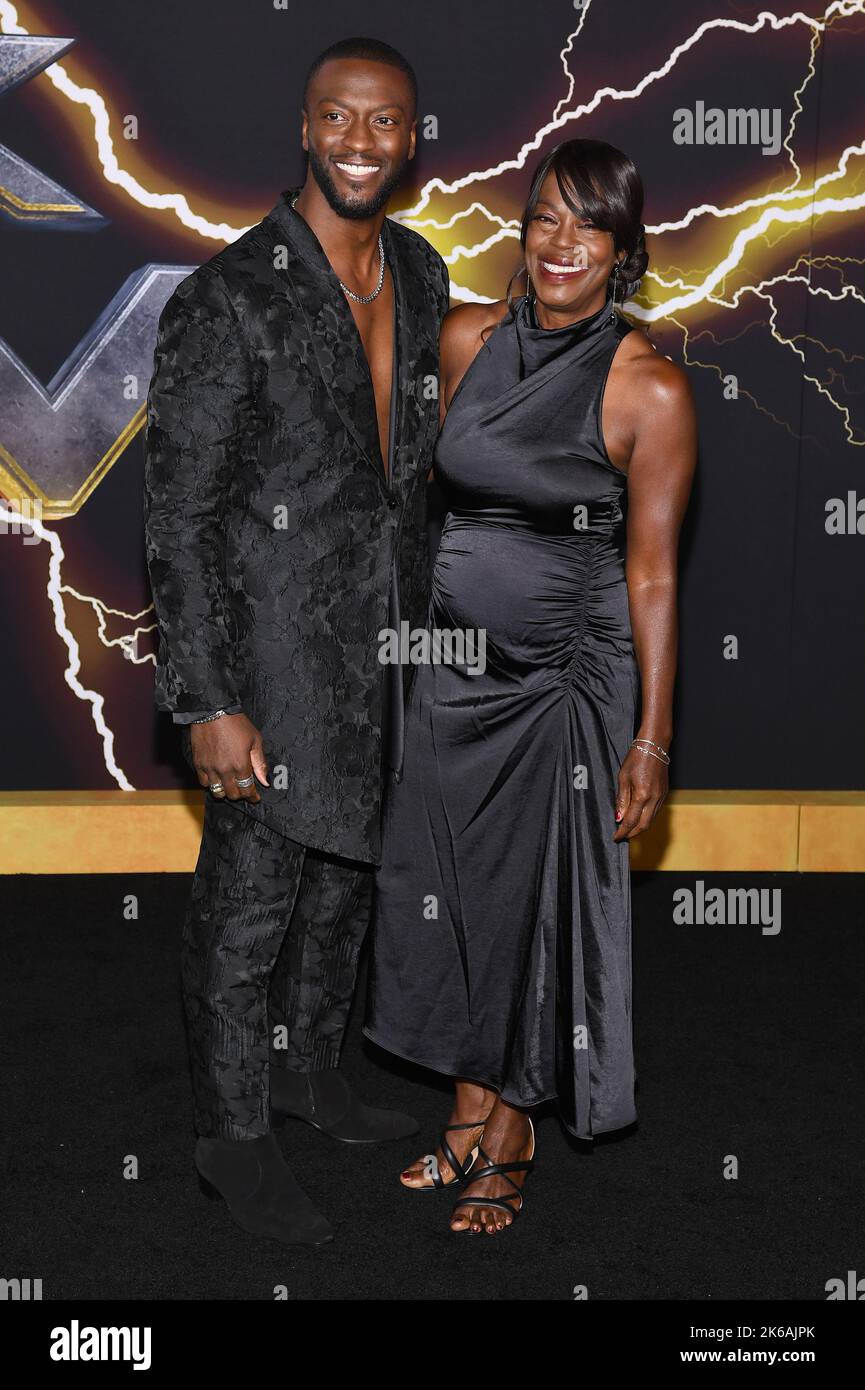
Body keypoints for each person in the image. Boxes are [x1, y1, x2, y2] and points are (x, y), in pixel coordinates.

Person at [143, 36, 449, 1246]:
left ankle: (310, 1072)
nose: (361, 141)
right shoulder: (228, 295)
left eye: (384, 122)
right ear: (305, 130)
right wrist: (207, 697)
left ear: (411, 140)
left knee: (351, 885)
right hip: (266, 660)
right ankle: (231, 1135)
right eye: (339, 118)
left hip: (388, 653)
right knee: (249, 906)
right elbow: (179, 514)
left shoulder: (422, 275)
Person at [365, 138, 696, 1235]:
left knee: (530, 900)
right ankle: (463, 1114)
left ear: (622, 249)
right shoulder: (464, 338)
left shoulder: (647, 386)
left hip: (566, 681)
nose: (561, 245)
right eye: (545, 218)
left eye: (587, 226)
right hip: (450, 668)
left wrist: (650, 736)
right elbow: (420, 499)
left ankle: (507, 1134)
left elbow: (650, 570)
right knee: (445, 888)